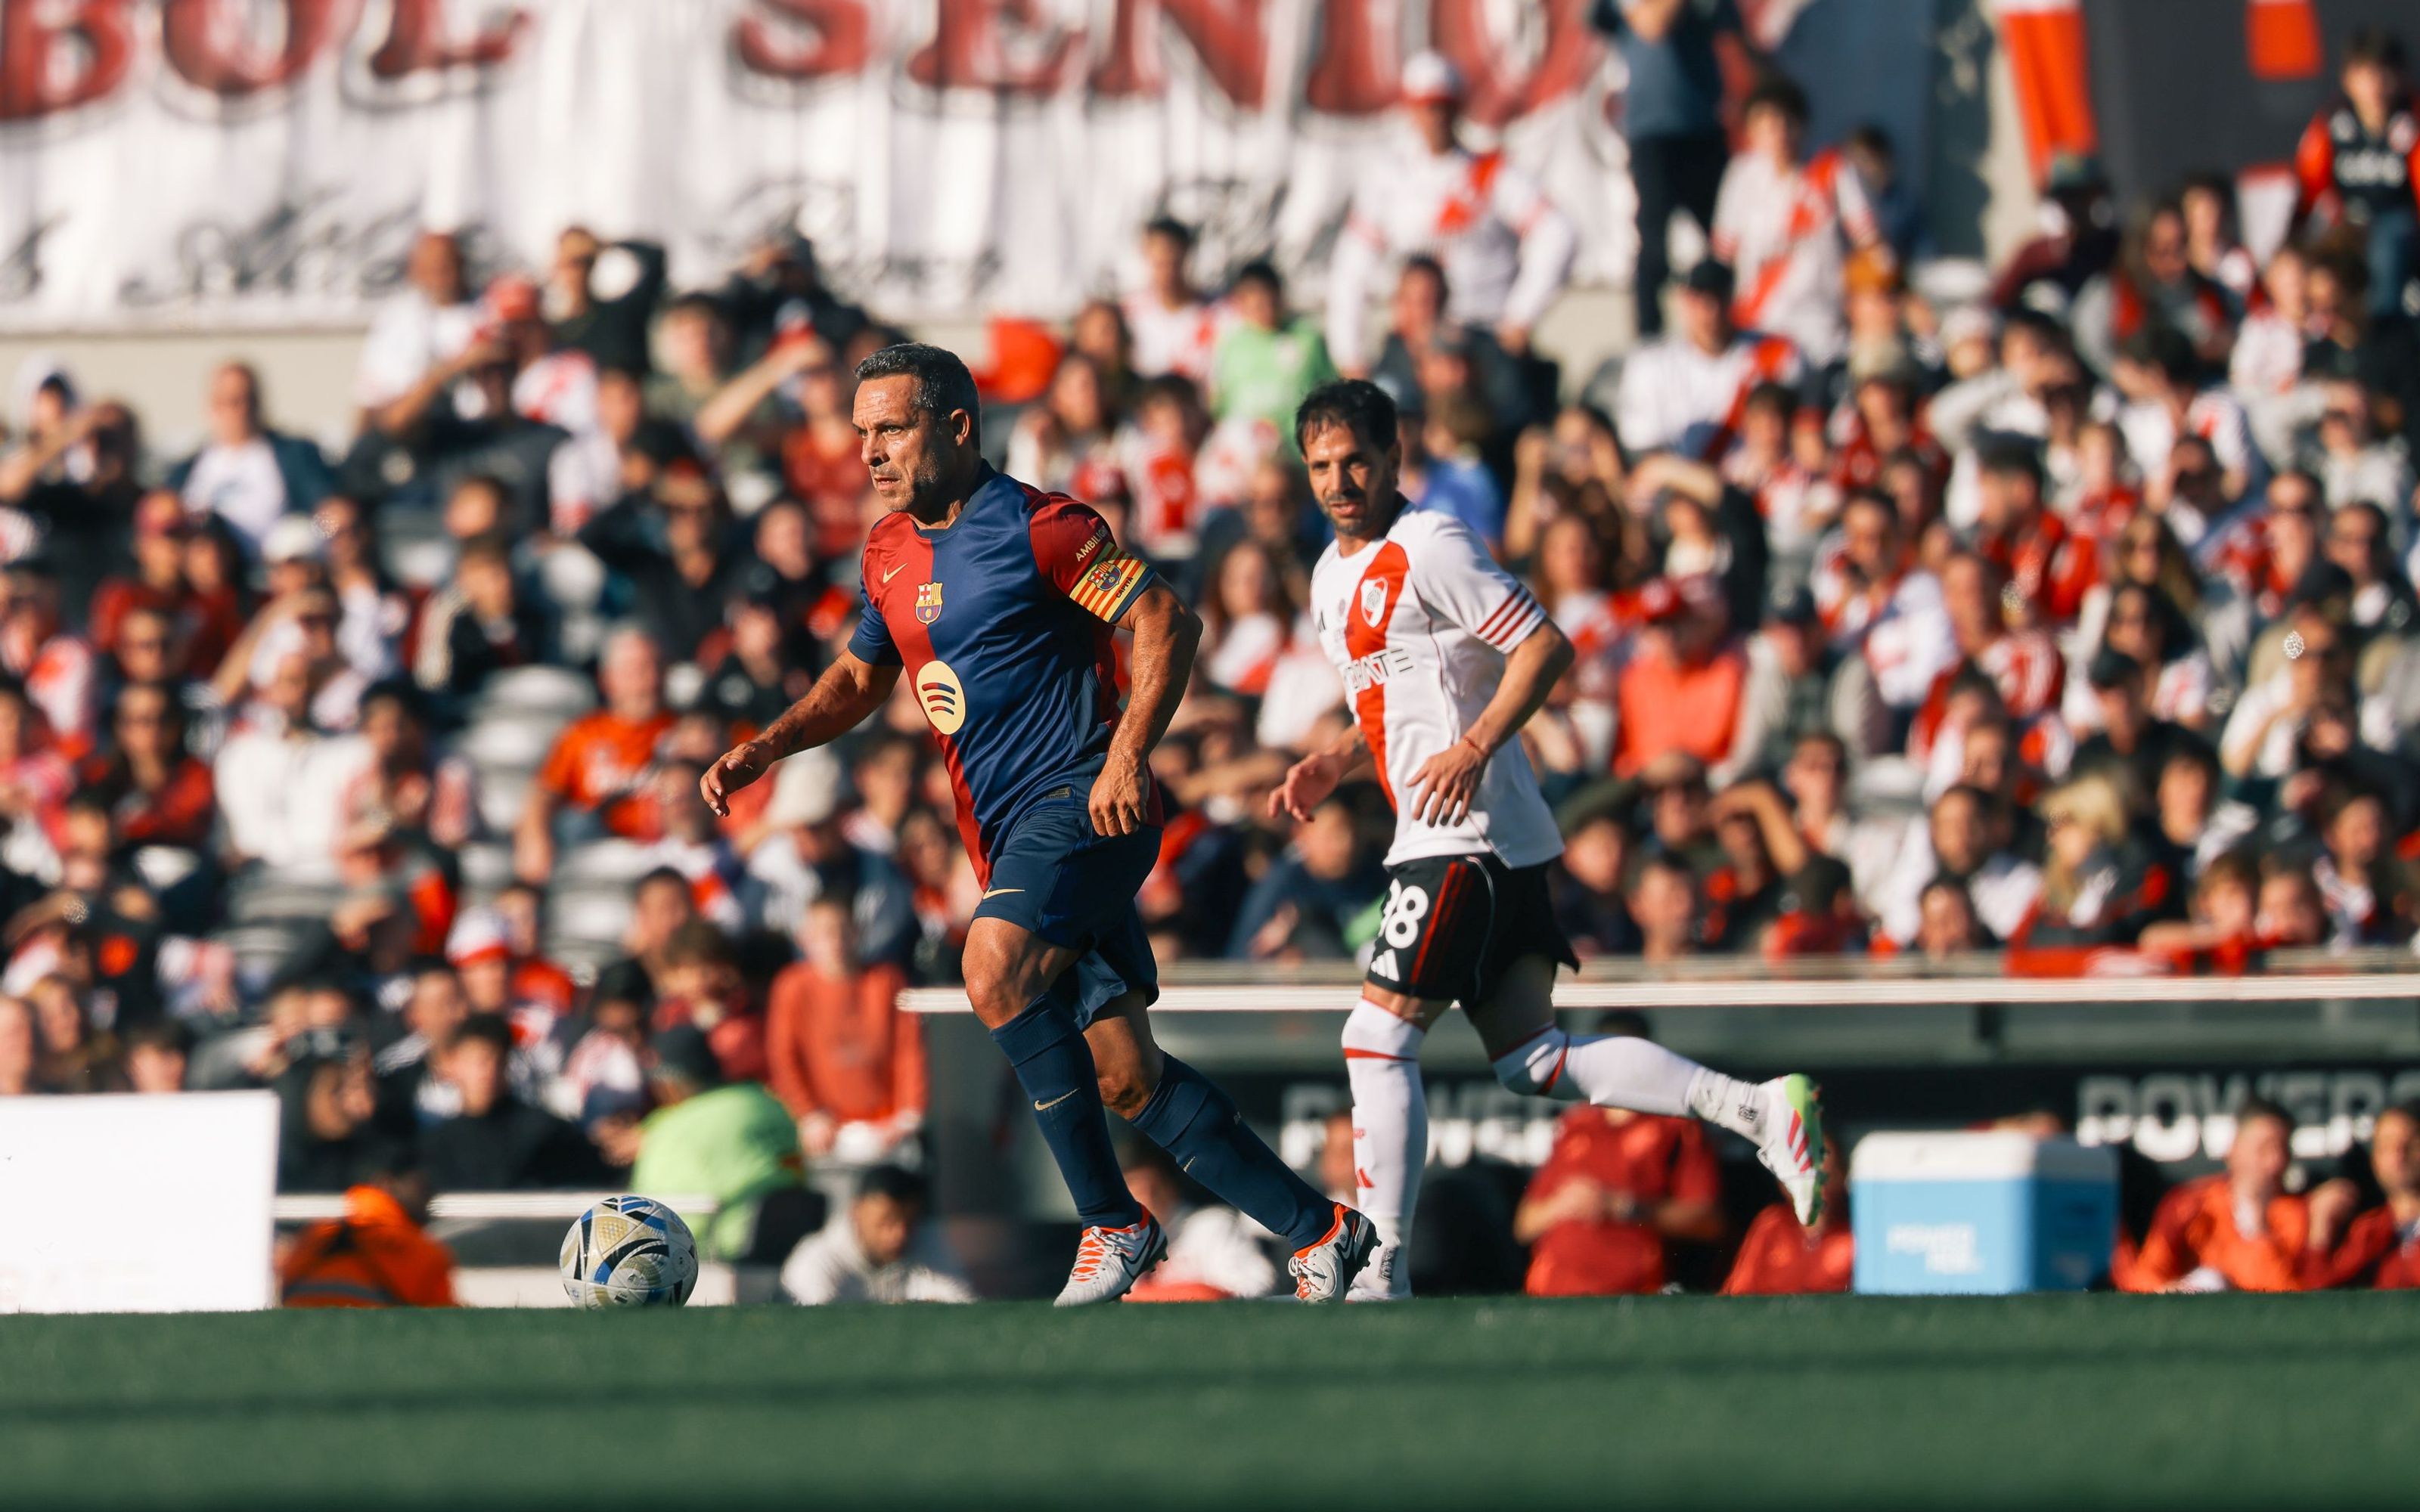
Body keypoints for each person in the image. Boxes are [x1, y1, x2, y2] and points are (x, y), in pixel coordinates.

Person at [701, 343, 1370, 1305]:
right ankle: (1322, 1230)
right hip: (1010, 838)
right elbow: (859, 677)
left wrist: (1128, 753)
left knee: (990, 970)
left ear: (957, 425)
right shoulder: (887, 551)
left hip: (1085, 802)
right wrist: (766, 747)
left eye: (890, 427)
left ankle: (1113, 1222)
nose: (870, 452)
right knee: (1126, 1076)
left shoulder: (1039, 528)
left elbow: (1164, 621)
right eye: (861, 433)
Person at [1267, 379, 1827, 1300]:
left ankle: (1382, 1262)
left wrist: (1476, 744)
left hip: (1464, 830)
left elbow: (1542, 645)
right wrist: (1333, 758)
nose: (1338, 479)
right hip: (1484, 834)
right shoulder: (1332, 578)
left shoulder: (1432, 544)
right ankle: (1759, 1108)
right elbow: (1401, 697)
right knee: (1535, 1059)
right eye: (1321, 465)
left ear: (1394, 454)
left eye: (1355, 460)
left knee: (1373, 1037)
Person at [1323, 51, 1575, 376]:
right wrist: (1350, 355)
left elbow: (1558, 233)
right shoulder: (1389, 180)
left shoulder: (1491, 174)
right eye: (1426, 106)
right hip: (1415, 347)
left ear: (1458, 107)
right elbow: (1351, 269)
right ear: (1410, 110)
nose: (1434, 117)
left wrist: (1519, 318)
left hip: (1483, 337)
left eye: (1443, 105)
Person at [1591, 0, 1745, 339]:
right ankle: (1649, 338)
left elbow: (1737, 37)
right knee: (1654, 249)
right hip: (1653, 136)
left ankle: (1736, 326)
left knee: (1726, 239)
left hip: (1704, 130)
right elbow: (1652, 25)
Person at [619, 1025, 805, 1263]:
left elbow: (652, 1221)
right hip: (795, 1250)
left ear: (670, 1081)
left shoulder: (672, 1131)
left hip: (722, 1258)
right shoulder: (771, 1103)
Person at [2120, 1097, 2316, 1292]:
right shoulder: (2191, 1204)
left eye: (2283, 1150)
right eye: (2264, 1148)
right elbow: (2146, 1277)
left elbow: (2288, 1294)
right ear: (2234, 1149)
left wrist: (2258, 1230)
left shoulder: (2296, 1214)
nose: (2275, 1163)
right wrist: (2172, 1290)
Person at [780, 1163, 974, 1305]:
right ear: (856, 1213)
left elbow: (963, 1305)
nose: (899, 1234)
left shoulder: (927, 1241)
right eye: (885, 1222)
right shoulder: (817, 1260)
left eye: (909, 1222)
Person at [277, 1163, 456, 1309]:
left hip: (299, 1337)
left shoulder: (318, 1233)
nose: (430, 1196)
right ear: (386, 1182)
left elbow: (285, 1286)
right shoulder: (426, 1253)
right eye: (422, 1187)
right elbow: (443, 1323)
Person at [2308, 1100, 2420, 1288]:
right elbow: (2318, 1297)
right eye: (2386, 1145)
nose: (2398, 1155)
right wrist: (2321, 1230)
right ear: (2374, 1159)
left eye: (2411, 1143)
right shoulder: (2369, 1230)